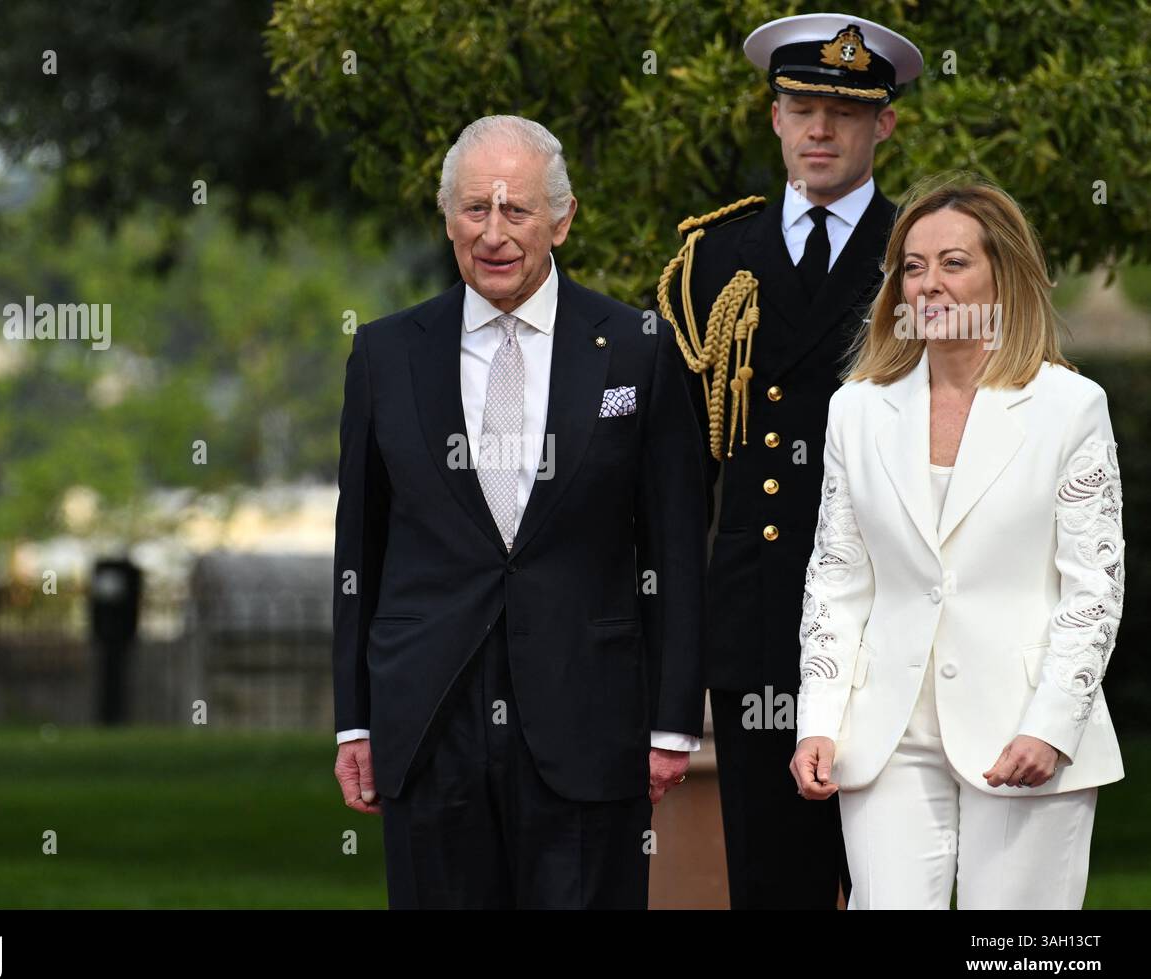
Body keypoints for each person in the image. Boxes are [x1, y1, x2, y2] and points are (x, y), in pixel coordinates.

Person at [332, 114, 708, 908]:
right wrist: (354, 723)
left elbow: (675, 548)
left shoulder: (638, 345)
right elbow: (357, 556)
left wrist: (673, 722)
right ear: (446, 216)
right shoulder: (385, 353)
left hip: (590, 720)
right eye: (475, 209)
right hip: (429, 725)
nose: (494, 233)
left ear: (562, 220)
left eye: (517, 210)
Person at [789, 177, 1125, 909]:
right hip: (885, 737)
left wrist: (1052, 726)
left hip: (1026, 733)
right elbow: (837, 579)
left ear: (1000, 276)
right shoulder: (857, 409)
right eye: (913, 266)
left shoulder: (1071, 407)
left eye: (953, 262)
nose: (929, 283)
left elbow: (1093, 591)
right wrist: (818, 718)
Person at [656, 13, 922, 908]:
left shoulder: (923, 257)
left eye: (844, 112)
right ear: (773, 116)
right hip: (760, 616)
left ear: (883, 123)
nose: (820, 129)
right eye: (802, 105)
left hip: (892, 613)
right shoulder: (713, 259)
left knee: (895, 879)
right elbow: (682, 471)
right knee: (772, 880)